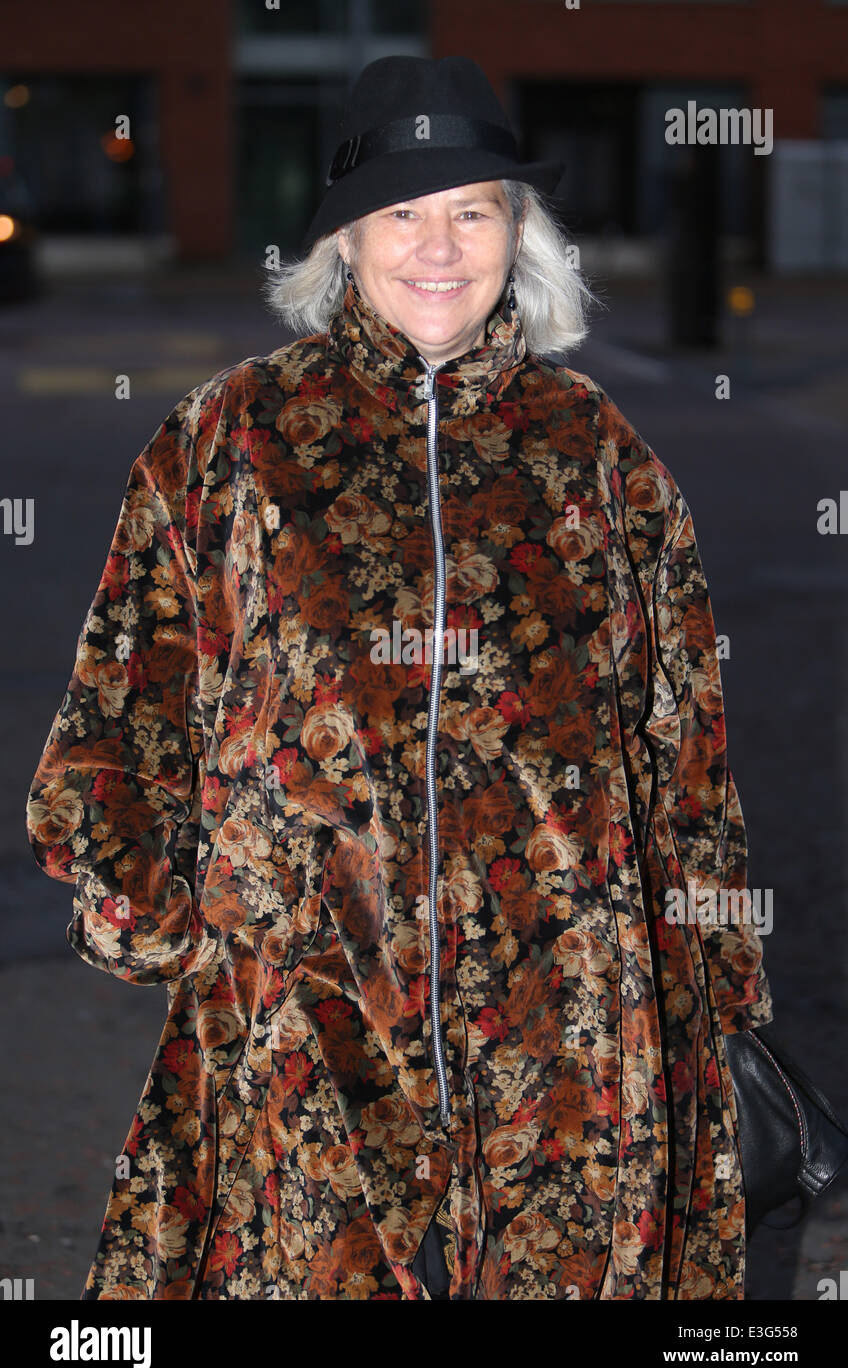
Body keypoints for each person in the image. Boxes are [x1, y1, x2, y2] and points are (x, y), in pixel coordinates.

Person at [25, 54, 773, 1301]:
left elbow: (681, 743)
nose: (439, 246)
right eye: (402, 211)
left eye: (472, 207)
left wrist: (708, 979)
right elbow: (120, 704)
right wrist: (161, 911)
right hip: (302, 1012)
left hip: (565, 1020)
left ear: (517, 234)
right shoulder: (230, 441)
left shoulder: (597, 452)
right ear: (344, 240)